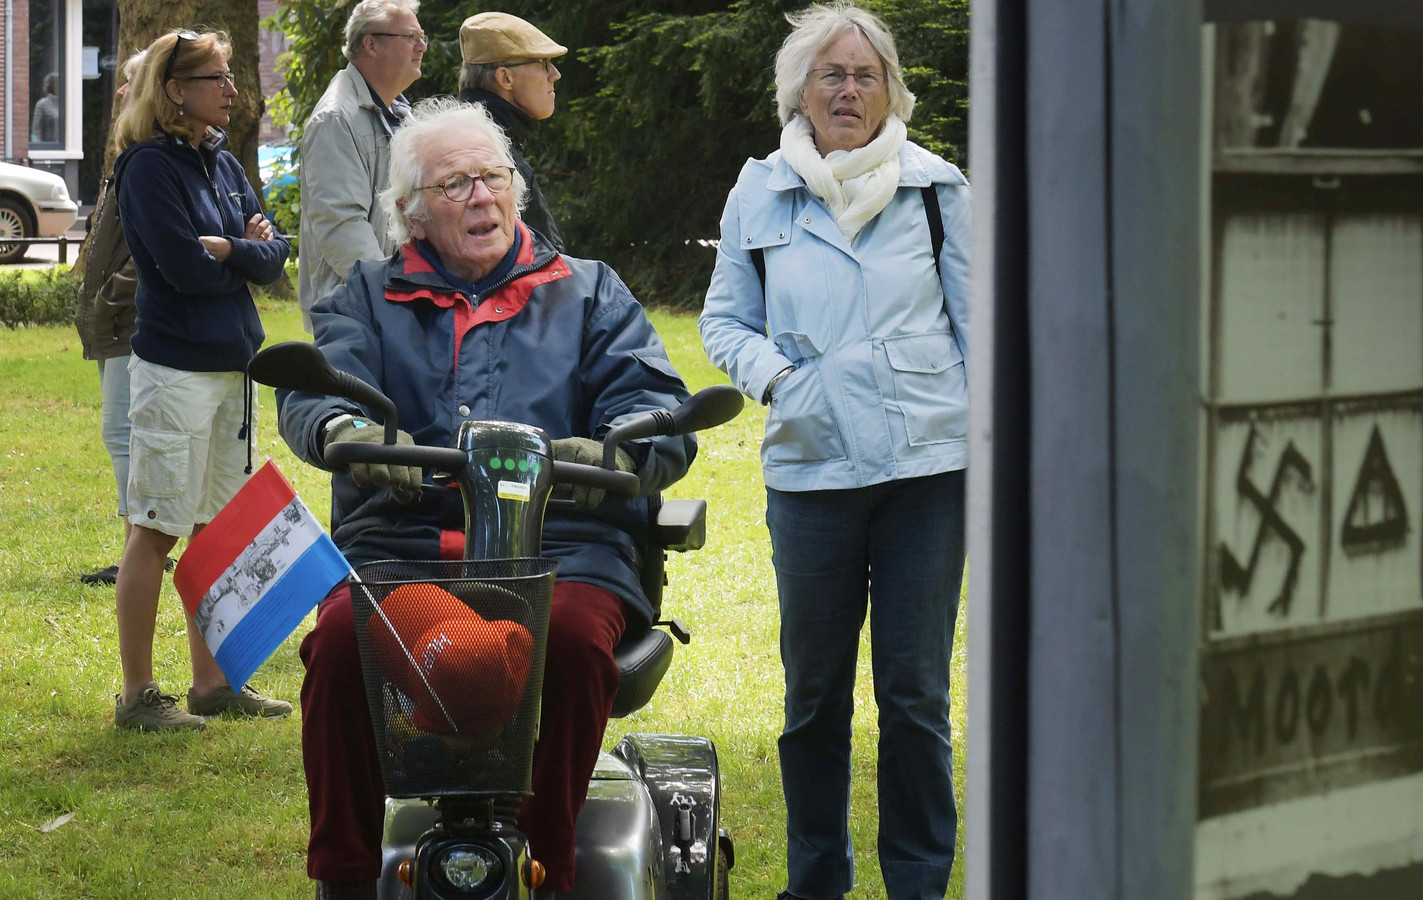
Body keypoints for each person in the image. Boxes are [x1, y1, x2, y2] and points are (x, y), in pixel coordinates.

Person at [277, 96, 695, 900]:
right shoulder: (367, 296)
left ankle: (550, 872)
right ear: (409, 213)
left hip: (560, 547)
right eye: (455, 183)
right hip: (406, 551)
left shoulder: (588, 292)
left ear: (516, 188)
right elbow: (315, 393)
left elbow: (656, 406)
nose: (481, 197)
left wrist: (615, 447)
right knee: (337, 648)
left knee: (570, 639)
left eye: (494, 176)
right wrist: (345, 431)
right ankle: (343, 879)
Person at [698, 4, 970, 899]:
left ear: (890, 88)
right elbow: (724, 320)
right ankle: (816, 880)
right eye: (830, 75)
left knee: (914, 698)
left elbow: (980, 330)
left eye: (865, 74)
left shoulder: (937, 189)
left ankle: (920, 883)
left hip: (926, 473)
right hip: (810, 471)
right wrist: (778, 378)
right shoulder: (759, 191)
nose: (848, 90)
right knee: (812, 698)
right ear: (799, 92)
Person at [109, 28, 292, 732]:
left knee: (217, 535)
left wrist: (236, 249)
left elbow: (275, 254)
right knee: (155, 530)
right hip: (176, 373)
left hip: (232, 371)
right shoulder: (148, 169)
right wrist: (238, 253)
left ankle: (213, 685)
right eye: (217, 77)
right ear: (175, 89)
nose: (233, 88)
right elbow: (184, 271)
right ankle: (137, 696)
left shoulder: (219, 159)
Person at [298, 0, 426, 333]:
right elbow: (342, 226)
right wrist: (395, 296)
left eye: (421, 36)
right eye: (411, 37)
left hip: (388, 307)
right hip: (354, 315)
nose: (422, 46)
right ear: (370, 43)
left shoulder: (399, 113)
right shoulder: (336, 119)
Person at [73, 50, 146, 586]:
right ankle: (136, 548)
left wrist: (108, 299)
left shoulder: (146, 163)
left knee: (124, 434)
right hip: (115, 322)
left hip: (129, 324)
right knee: (122, 434)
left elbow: (149, 254)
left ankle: (136, 552)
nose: (119, 93)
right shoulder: (128, 156)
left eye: (129, 83)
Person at [456, 11, 565, 250]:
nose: (555, 74)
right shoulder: (487, 153)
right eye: (544, 64)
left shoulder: (473, 138)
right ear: (505, 78)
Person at [31, 72, 60, 142]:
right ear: (50, 85)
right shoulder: (42, 104)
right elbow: (35, 130)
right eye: (56, 82)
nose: (59, 85)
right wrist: (36, 147)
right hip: (49, 147)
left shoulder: (68, 103)